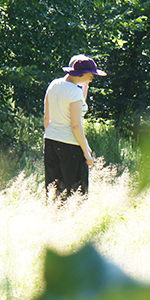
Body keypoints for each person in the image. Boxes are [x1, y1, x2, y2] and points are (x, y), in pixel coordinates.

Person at [43, 55, 107, 199]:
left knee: (54, 188)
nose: (92, 78)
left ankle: (53, 216)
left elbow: (47, 117)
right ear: (82, 74)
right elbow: (76, 125)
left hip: (51, 141)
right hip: (70, 145)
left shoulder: (54, 84)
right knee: (76, 191)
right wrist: (86, 152)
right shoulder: (74, 92)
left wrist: (51, 134)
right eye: (91, 75)